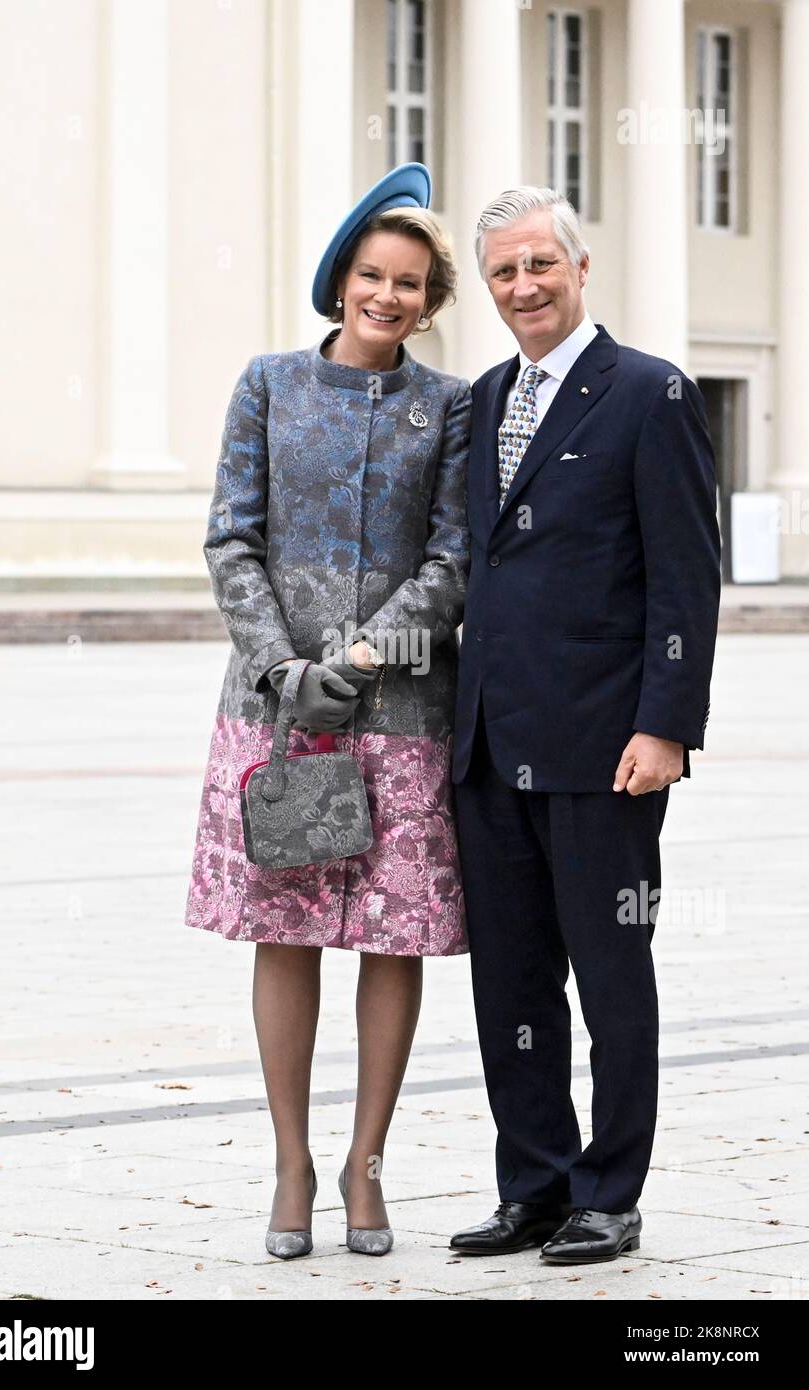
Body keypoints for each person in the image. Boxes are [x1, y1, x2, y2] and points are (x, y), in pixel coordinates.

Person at [184, 164, 472, 1259]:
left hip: (400, 712)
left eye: (407, 284)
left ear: (429, 301)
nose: (386, 296)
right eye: (370, 274)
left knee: (390, 937)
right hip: (276, 713)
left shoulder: (446, 409)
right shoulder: (265, 385)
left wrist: (359, 654)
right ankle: (292, 1162)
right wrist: (278, 669)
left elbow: (451, 558)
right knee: (287, 930)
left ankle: (367, 1164)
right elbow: (229, 538)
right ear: (339, 278)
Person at [448, 186, 721, 1264]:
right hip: (487, 744)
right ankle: (537, 1185)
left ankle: (610, 1189)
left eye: (538, 266)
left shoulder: (646, 394)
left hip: (603, 749)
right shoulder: (480, 398)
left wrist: (666, 726)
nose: (522, 287)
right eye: (504, 272)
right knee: (509, 981)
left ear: (578, 266)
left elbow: (684, 581)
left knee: (610, 975)